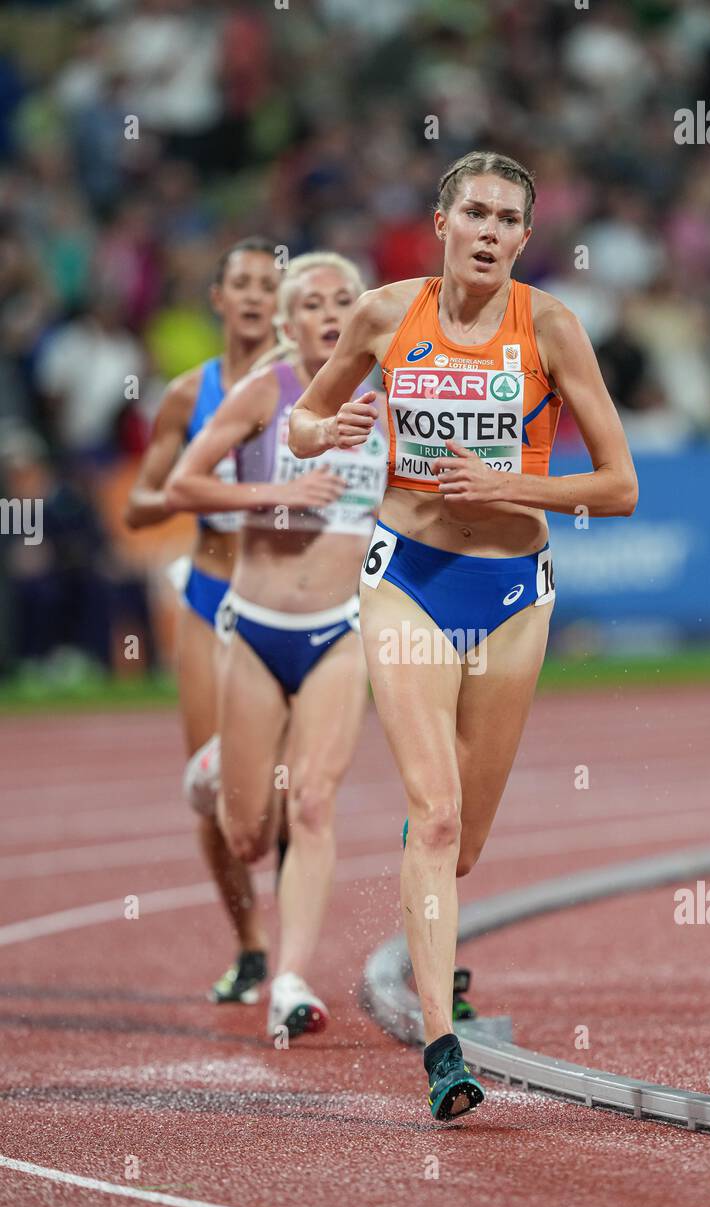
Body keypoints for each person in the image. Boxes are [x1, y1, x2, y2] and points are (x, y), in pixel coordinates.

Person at [288, 151, 638, 1120]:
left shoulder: (552, 327)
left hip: (514, 592)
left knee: (462, 839)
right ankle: (443, 1046)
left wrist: (511, 485)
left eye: (506, 219)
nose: (487, 231)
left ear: (524, 239)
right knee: (434, 811)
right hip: (406, 575)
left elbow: (617, 485)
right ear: (440, 222)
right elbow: (305, 426)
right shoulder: (381, 315)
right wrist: (331, 427)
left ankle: (428, 874)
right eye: (472, 212)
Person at [165, 252, 388, 1039]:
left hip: (339, 631)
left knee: (315, 804)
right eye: (313, 301)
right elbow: (182, 486)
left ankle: (290, 979)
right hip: (255, 629)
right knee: (248, 833)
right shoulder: (266, 392)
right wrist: (278, 491)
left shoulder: (390, 399)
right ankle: (215, 774)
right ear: (289, 322)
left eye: (344, 299)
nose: (330, 311)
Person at [124, 236, 281, 1004]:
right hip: (211, 594)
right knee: (209, 785)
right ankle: (251, 944)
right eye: (241, 284)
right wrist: (201, 486)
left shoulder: (305, 387)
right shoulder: (189, 395)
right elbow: (140, 501)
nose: (254, 297)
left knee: (286, 790)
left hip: (286, 597)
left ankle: (303, 936)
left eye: (267, 285)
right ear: (218, 298)